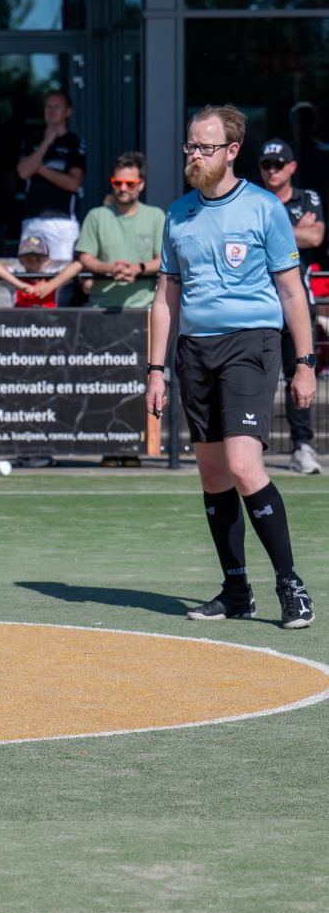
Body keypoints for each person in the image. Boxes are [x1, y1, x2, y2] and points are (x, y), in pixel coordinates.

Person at [147, 104, 314, 631]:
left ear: (232, 151)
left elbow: (292, 292)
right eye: (190, 146)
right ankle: (236, 589)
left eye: (205, 147)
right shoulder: (176, 213)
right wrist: (155, 369)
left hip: (251, 345)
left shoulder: (264, 209)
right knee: (214, 475)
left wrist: (306, 363)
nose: (194, 155)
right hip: (194, 351)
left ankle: (291, 583)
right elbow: (165, 298)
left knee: (244, 467)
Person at [256, 139, 325, 475]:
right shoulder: (252, 199)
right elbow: (249, 237)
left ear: (292, 167)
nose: (272, 170)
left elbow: (316, 238)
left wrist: (274, 233)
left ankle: (302, 446)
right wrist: (296, 231)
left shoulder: (308, 198)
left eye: (278, 164)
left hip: (299, 303)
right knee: (255, 378)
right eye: (266, 165)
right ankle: (249, 444)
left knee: (301, 374)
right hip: (259, 303)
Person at [43, 152, 165, 311]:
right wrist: (111, 269)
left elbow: (163, 260)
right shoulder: (96, 216)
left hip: (145, 308)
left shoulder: (156, 216)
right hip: (100, 307)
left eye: (130, 184)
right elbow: (85, 258)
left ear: (141, 184)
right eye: (117, 183)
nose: (122, 188)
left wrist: (138, 268)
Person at [14, 90, 86, 266]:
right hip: (32, 219)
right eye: (48, 106)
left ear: (68, 112)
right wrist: (47, 141)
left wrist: (39, 168)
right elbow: (23, 172)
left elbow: (73, 183)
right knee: (30, 272)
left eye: (57, 107)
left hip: (61, 221)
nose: (52, 111)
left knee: (60, 275)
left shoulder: (74, 142)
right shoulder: (32, 141)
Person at [0, 233, 60, 308]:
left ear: (47, 260)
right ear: (21, 261)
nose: (33, 263)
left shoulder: (54, 278)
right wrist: (20, 285)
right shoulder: (16, 278)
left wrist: (51, 285)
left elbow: (70, 270)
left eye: (38, 259)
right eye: (29, 259)